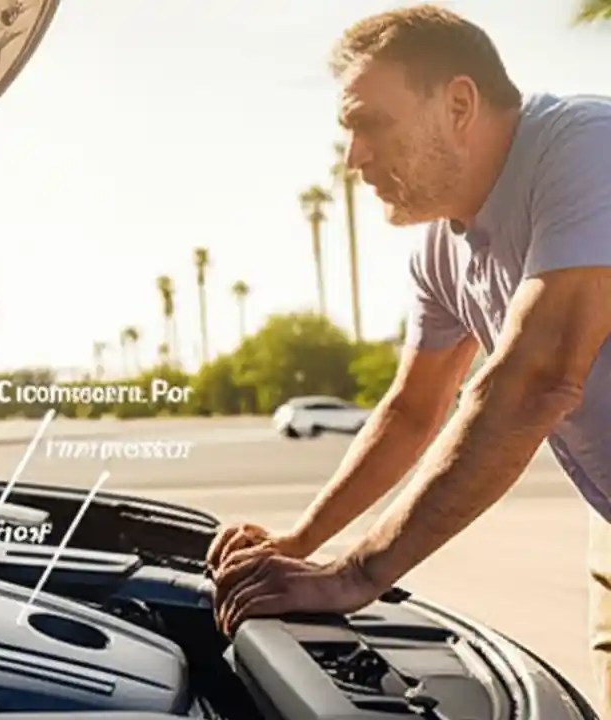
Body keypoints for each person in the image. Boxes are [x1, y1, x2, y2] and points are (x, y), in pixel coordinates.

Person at [205, 3, 611, 714]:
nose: (354, 158)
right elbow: (412, 411)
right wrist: (303, 542)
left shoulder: (588, 150)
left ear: (458, 103)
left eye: (370, 124)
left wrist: (359, 573)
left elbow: (535, 382)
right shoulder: (439, 247)